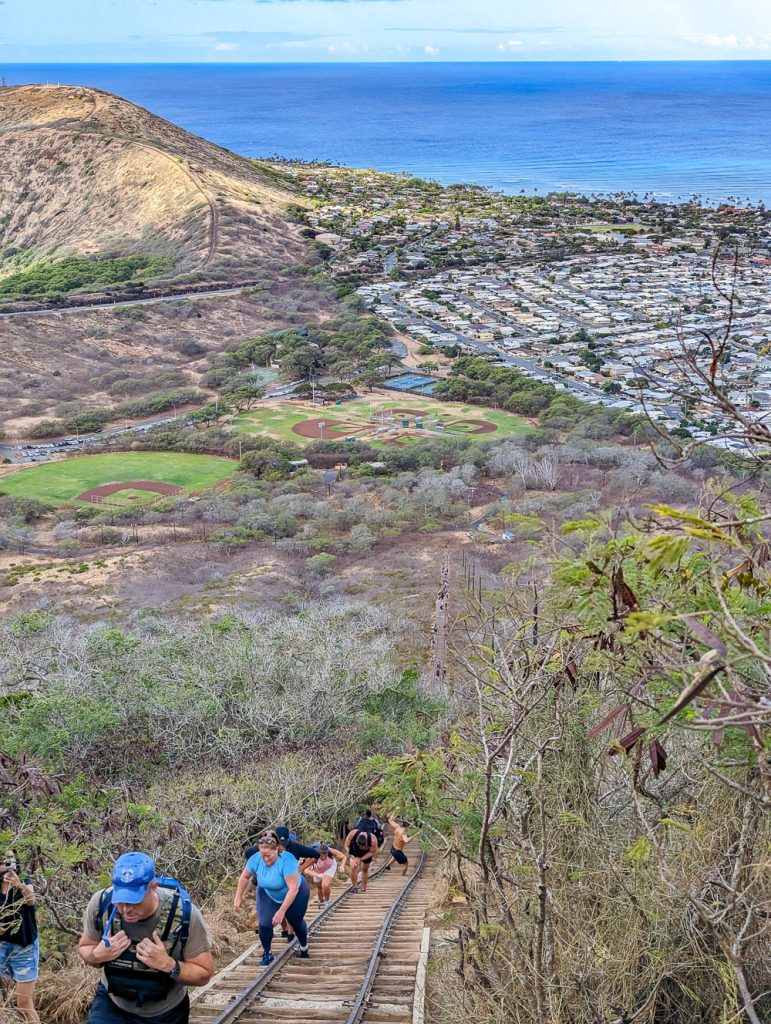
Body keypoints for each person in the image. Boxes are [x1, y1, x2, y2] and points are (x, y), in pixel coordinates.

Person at [78, 852, 213, 1024]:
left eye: (134, 902)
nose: (126, 910)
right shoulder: (101, 904)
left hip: (166, 1011)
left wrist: (169, 965)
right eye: (121, 901)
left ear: (153, 887)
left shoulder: (186, 915)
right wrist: (96, 956)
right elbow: (84, 946)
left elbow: (204, 974)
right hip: (112, 1005)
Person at [234, 834, 310, 965]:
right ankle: (267, 953)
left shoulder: (287, 861)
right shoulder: (256, 859)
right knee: (264, 924)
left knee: (295, 922)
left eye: (268, 855)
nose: (265, 858)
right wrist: (238, 897)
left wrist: (281, 912)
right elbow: (244, 877)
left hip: (295, 892)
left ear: (277, 850)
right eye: (263, 855)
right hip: (267, 892)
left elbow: (293, 889)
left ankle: (304, 947)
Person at [0, 849, 40, 1024]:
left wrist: (19, 885)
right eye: (4, 861)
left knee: (23, 1003)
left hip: (24, 947)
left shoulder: (24, 880)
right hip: (1, 946)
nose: (8, 864)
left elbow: (31, 899)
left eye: (11, 859)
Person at [302, 843, 346, 908]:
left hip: (329, 867)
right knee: (319, 886)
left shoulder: (331, 851)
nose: (324, 856)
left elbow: (343, 857)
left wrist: (342, 866)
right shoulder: (313, 856)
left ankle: (327, 901)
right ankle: (321, 900)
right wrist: (317, 875)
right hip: (317, 870)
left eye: (325, 854)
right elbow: (306, 870)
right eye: (322, 854)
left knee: (325, 885)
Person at [344, 828, 379, 893]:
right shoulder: (352, 834)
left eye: (363, 846)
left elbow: (372, 852)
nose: (361, 847)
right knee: (353, 867)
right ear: (357, 840)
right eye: (360, 845)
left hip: (367, 853)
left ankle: (363, 888)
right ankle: (355, 887)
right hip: (354, 850)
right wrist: (352, 855)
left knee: (364, 869)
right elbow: (347, 846)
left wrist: (360, 859)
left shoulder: (373, 840)